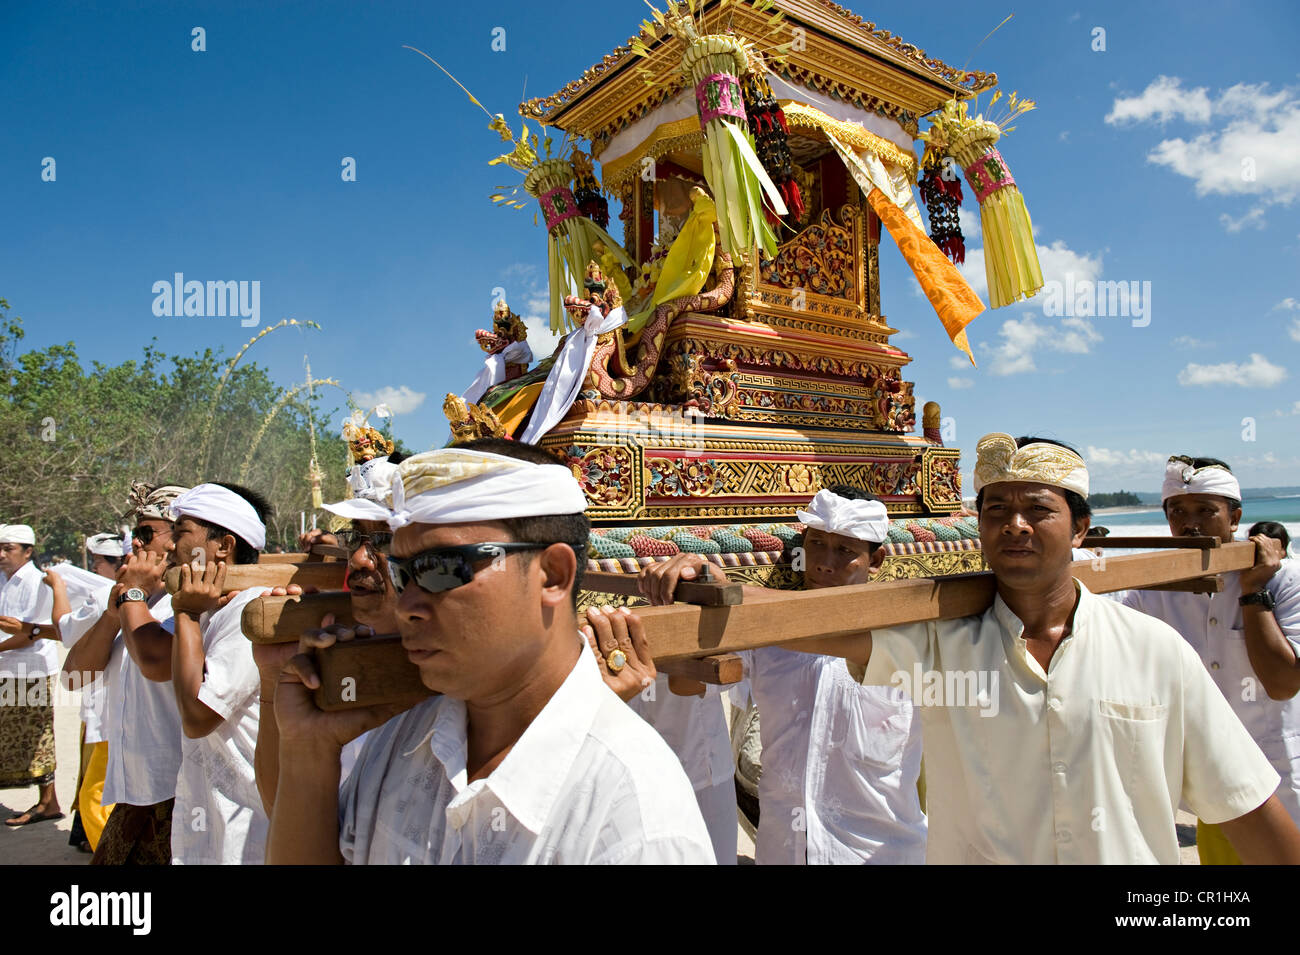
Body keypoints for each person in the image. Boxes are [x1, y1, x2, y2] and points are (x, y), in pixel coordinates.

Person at [815, 433, 1300, 863]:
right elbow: (801, 628)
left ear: (1080, 528)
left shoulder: (1155, 649)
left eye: (1039, 509)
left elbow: (1244, 804)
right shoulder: (936, 645)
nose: (1016, 525)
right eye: (997, 509)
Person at [266, 439, 715, 864]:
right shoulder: (399, 743)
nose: (405, 607)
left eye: (442, 569)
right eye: (402, 575)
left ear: (553, 575)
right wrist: (308, 750)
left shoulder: (632, 818)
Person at [633, 486, 926, 864]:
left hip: (881, 854)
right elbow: (688, 685)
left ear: (876, 561)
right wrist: (694, 594)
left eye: (845, 551)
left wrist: (730, 591)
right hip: (782, 851)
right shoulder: (766, 636)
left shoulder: (907, 640)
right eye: (817, 544)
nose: (824, 563)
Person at [1123, 457, 1300, 864]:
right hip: (1213, 787)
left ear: (1235, 517)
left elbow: (1282, 683)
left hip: (1282, 775)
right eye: (1178, 512)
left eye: (1206, 510)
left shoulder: (1285, 580)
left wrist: (1254, 592)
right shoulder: (1150, 593)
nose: (1191, 524)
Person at [60, 483, 191, 864]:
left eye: (145, 533)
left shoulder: (193, 601)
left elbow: (154, 662)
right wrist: (116, 609)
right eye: (136, 533)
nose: (134, 544)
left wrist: (133, 596)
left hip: (181, 794)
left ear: (177, 540)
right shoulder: (127, 595)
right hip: (132, 795)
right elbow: (73, 677)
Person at [162, 482, 273, 864]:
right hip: (216, 812)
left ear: (223, 546)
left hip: (247, 825)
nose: (167, 547)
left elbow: (197, 717)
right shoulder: (217, 608)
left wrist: (186, 614)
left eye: (180, 534)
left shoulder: (253, 608)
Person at [47, 533, 125, 852]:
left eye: (97, 562)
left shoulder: (106, 595)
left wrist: (57, 588)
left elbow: (64, 628)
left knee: (96, 796)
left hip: (109, 713)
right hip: (107, 710)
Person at [0, 524, 63, 826]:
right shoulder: (2, 579)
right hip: (6, 668)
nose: (1, 555)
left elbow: (32, 633)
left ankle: (48, 803)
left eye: (8, 549)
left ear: (27, 551)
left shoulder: (38, 582)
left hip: (30, 671)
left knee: (37, 739)